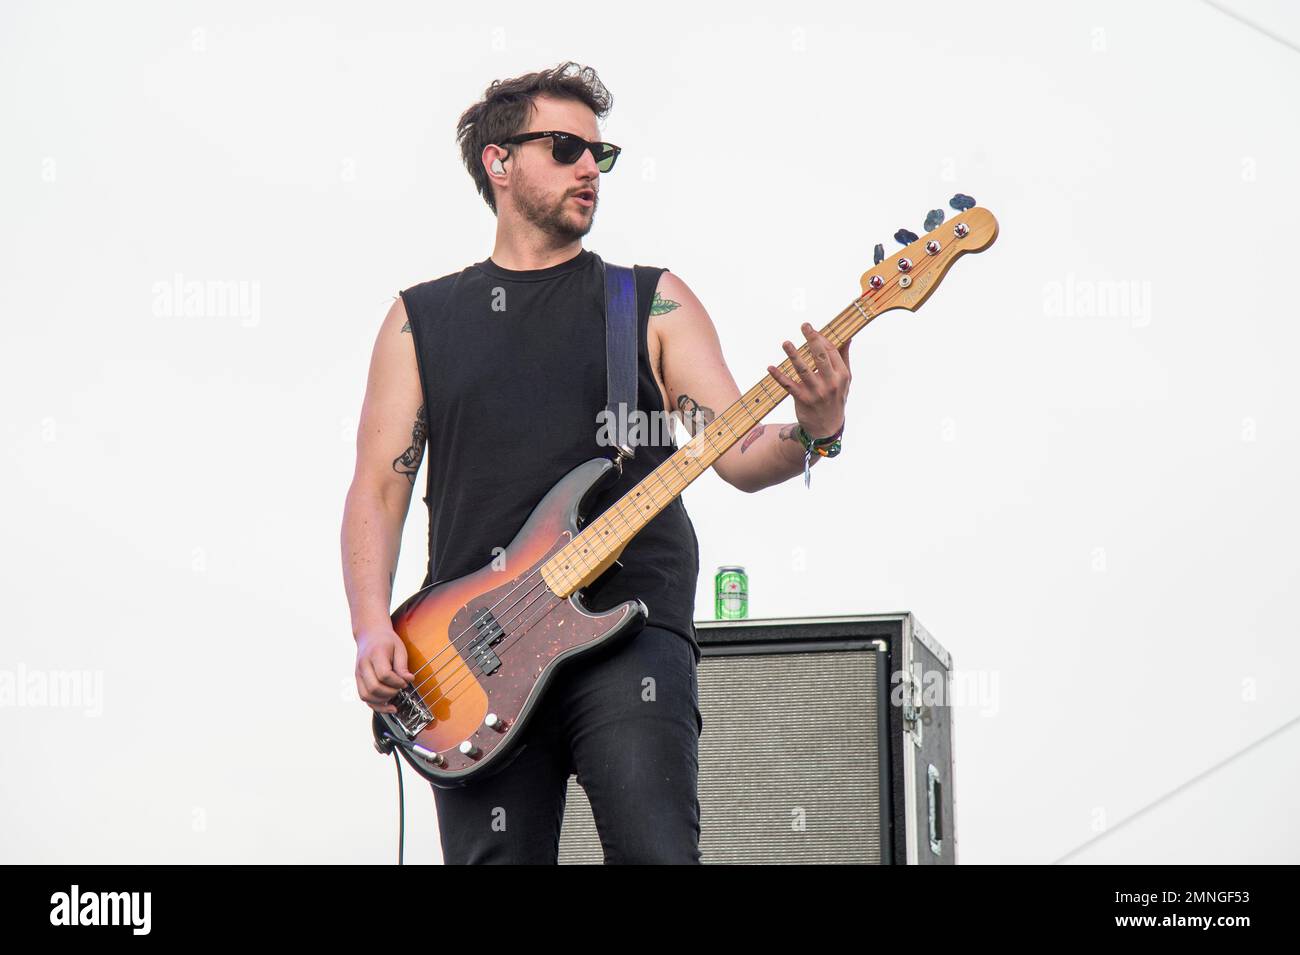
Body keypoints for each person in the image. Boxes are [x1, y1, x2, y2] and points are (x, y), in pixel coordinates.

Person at [340, 61, 852, 864]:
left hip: (628, 633)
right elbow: (378, 484)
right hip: (472, 657)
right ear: (498, 163)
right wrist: (372, 627)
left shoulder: (648, 301)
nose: (590, 168)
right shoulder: (419, 321)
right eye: (566, 147)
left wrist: (817, 428)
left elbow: (742, 452)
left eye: (599, 155)